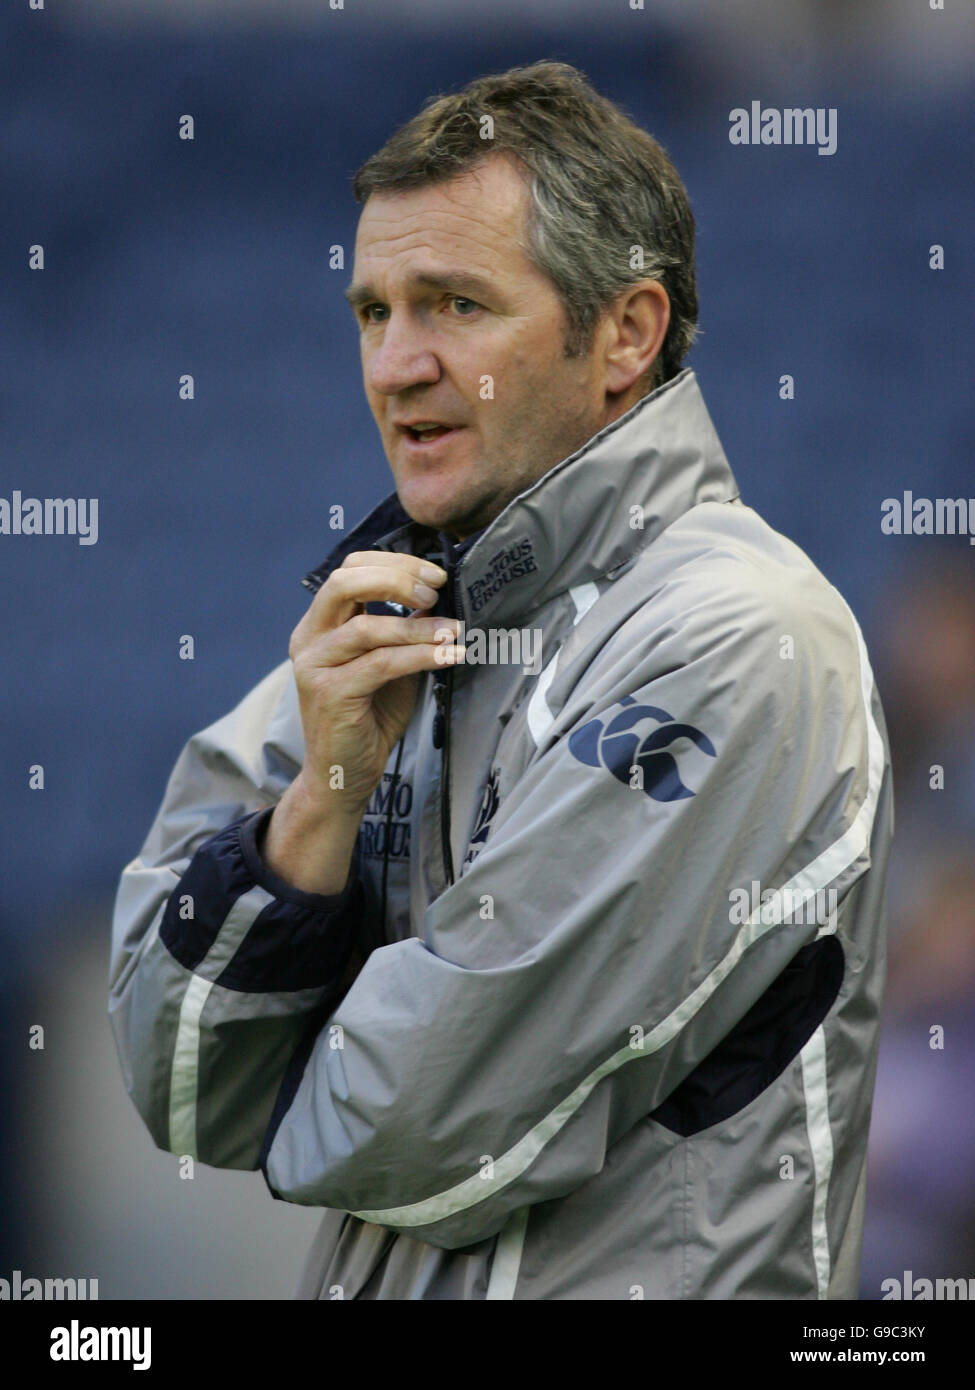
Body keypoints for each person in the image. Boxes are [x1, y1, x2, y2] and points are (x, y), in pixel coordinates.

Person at [109, 61, 893, 1300]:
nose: (396, 364)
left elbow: (417, 1132)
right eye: (374, 312)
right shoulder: (385, 621)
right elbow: (187, 1083)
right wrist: (317, 804)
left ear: (625, 334)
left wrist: (301, 1058)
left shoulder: (742, 633)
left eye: (456, 305)